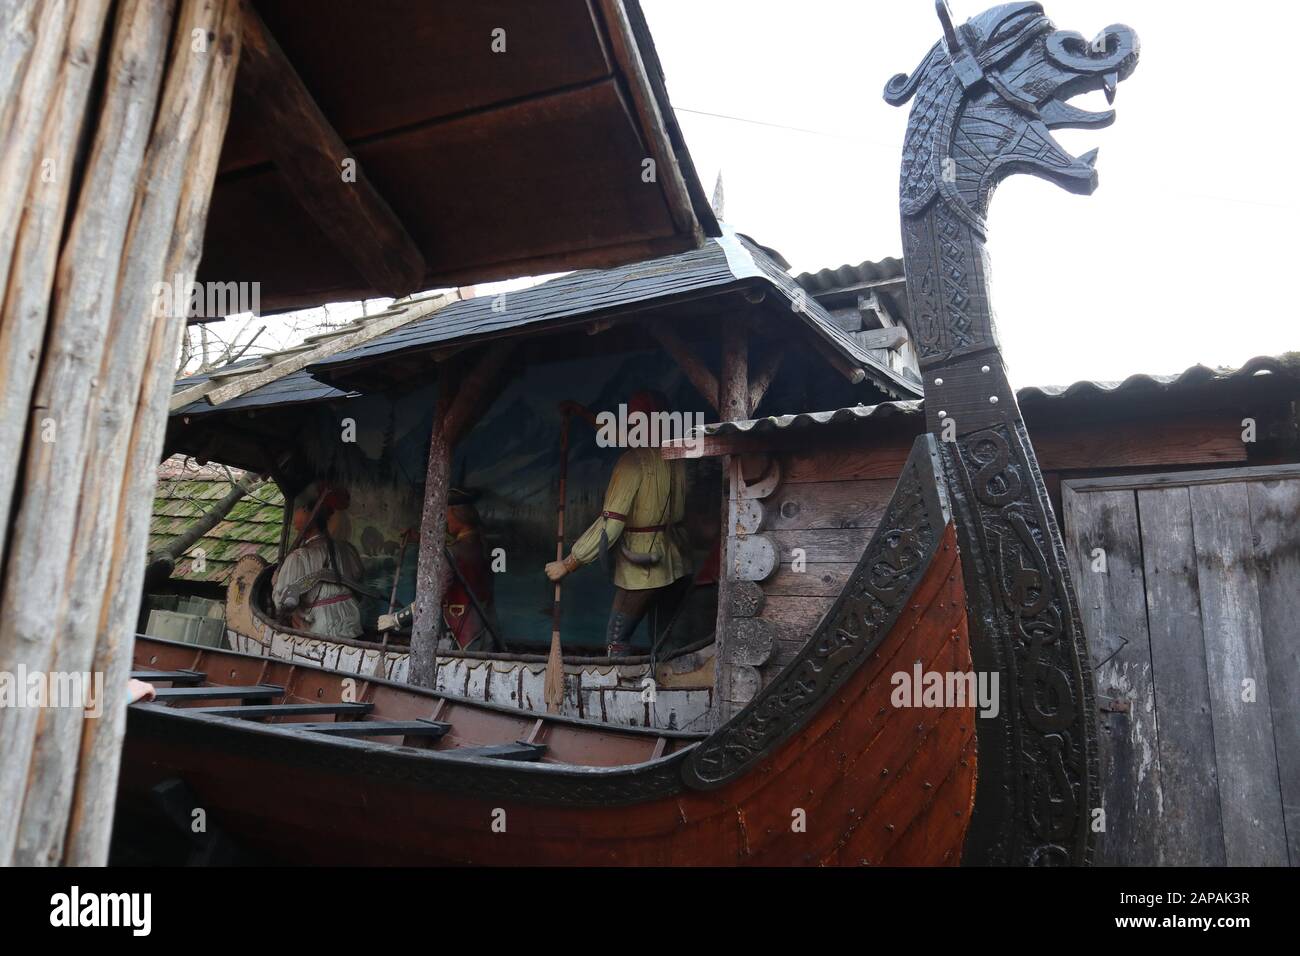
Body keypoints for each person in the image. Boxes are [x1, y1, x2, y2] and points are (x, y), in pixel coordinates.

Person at [545, 390, 692, 656]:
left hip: (642, 567)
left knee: (616, 640)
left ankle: (626, 691)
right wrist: (580, 411)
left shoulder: (631, 463)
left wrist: (568, 564)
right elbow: (616, 434)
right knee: (664, 642)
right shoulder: (676, 456)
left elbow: (609, 526)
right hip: (675, 561)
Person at [377, 489, 499, 651]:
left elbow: (432, 599)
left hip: (460, 634)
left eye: (446, 515)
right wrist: (422, 539)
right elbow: (451, 550)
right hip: (486, 628)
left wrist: (397, 619)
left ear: (457, 515)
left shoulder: (452, 552)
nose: (445, 521)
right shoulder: (482, 545)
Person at [272, 484, 366, 639]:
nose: (297, 511)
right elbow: (358, 578)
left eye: (302, 508)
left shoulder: (298, 557)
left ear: (311, 517)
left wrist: (276, 584)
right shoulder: (347, 549)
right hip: (352, 625)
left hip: (320, 630)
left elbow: (283, 604)